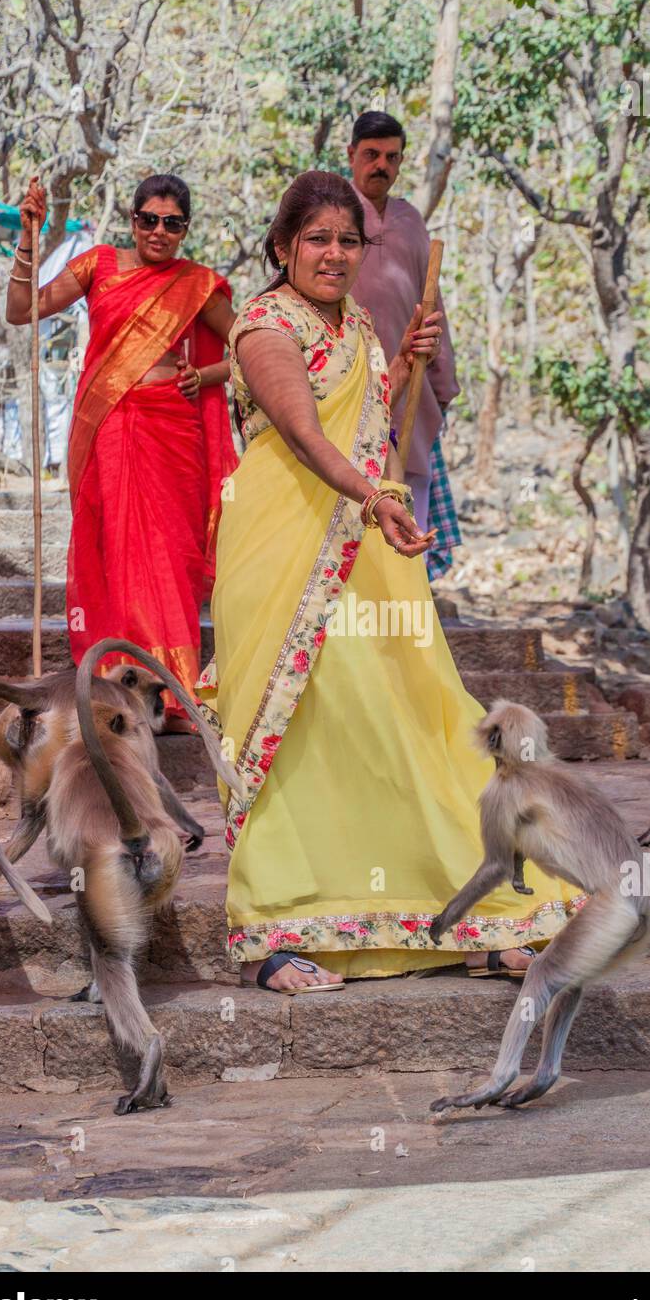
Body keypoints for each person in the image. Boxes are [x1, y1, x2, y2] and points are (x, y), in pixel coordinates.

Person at [196, 170, 581, 994]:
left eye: (347, 241)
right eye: (317, 240)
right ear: (283, 247)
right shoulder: (264, 325)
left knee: (405, 719)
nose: (334, 255)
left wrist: (402, 366)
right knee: (300, 731)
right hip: (286, 551)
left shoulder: (361, 322)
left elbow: (370, 417)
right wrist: (375, 496)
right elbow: (303, 432)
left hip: (372, 548)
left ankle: (451, 917)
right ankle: (273, 930)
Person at [6, 175, 237, 730]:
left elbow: (256, 348)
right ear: (132, 220)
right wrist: (28, 240)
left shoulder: (198, 285)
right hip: (106, 427)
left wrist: (203, 374)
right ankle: (113, 690)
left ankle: (173, 698)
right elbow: (22, 311)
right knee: (115, 554)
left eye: (173, 223)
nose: (159, 231)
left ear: (185, 229)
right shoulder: (100, 265)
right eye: (149, 220)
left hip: (172, 433)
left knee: (168, 561)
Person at [347, 110, 462, 580]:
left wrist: (442, 383)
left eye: (392, 158)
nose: (382, 166)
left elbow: (430, 305)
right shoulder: (331, 213)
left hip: (408, 389)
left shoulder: (411, 221)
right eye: (371, 155)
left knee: (406, 490)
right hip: (344, 386)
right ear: (350, 154)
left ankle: (403, 601)